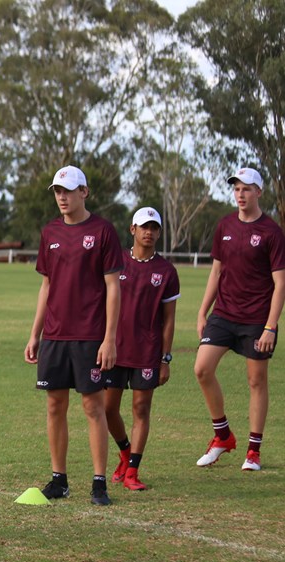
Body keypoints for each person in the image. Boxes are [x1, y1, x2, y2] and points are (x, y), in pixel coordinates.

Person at [24, 165, 123, 506]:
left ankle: (98, 483)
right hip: (54, 335)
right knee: (55, 405)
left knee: (92, 406)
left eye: (68, 190)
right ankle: (59, 480)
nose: (62, 197)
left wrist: (110, 338)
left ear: (85, 192)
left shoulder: (103, 232)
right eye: (57, 191)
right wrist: (35, 333)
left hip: (90, 336)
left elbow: (113, 288)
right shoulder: (49, 232)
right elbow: (46, 285)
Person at [193, 167, 285, 471]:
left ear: (259, 192)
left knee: (256, 381)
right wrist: (202, 311)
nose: (240, 194)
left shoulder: (271, 232)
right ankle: (222, 437)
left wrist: (271, 326)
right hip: (224, 313)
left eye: (246, 189)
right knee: (202, 369)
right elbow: (216, 272)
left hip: (257, 318)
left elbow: (280, 283)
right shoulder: (225, 226)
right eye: (236, 189)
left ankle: (253, 452)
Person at [104, 206, 180, 491]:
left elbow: (169, 319)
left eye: (154, 228)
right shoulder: (116, 261)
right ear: (132, 229)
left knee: (141, 408)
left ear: (159, 232)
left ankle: (133, 470)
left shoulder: (166, 271)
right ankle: (125, 451)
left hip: (147, 351)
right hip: (114, 348)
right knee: (108, 409)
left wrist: (165, 358)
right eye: (144, 227)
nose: (149, 232)